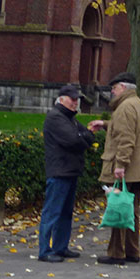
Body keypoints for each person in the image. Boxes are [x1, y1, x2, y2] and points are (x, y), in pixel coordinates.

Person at [39, 85, 104, 263]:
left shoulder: (70, 119)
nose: (75, 102)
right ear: (61, 99)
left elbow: (82, 137)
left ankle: (60, 247)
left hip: (69, 171)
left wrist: (85, 135)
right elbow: (74, 141)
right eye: (72, 99)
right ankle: (44, 250)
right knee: (52, 211)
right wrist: (88, 134)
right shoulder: (56, 117)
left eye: (77, 99)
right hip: (59, 171)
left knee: (66, 212)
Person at [98, 73, 140, 265]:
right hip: (137, 169)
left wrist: (120, 165)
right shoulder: (138, 104)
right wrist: (104, 124)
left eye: (115, 87)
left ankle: (116, 253)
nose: (112, 91)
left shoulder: (124, 108)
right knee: (131, 211)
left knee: (118, 208)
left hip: (124, 169)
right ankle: (132, 251)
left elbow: (126, 139)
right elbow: (127, 128)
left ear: (124, 88)